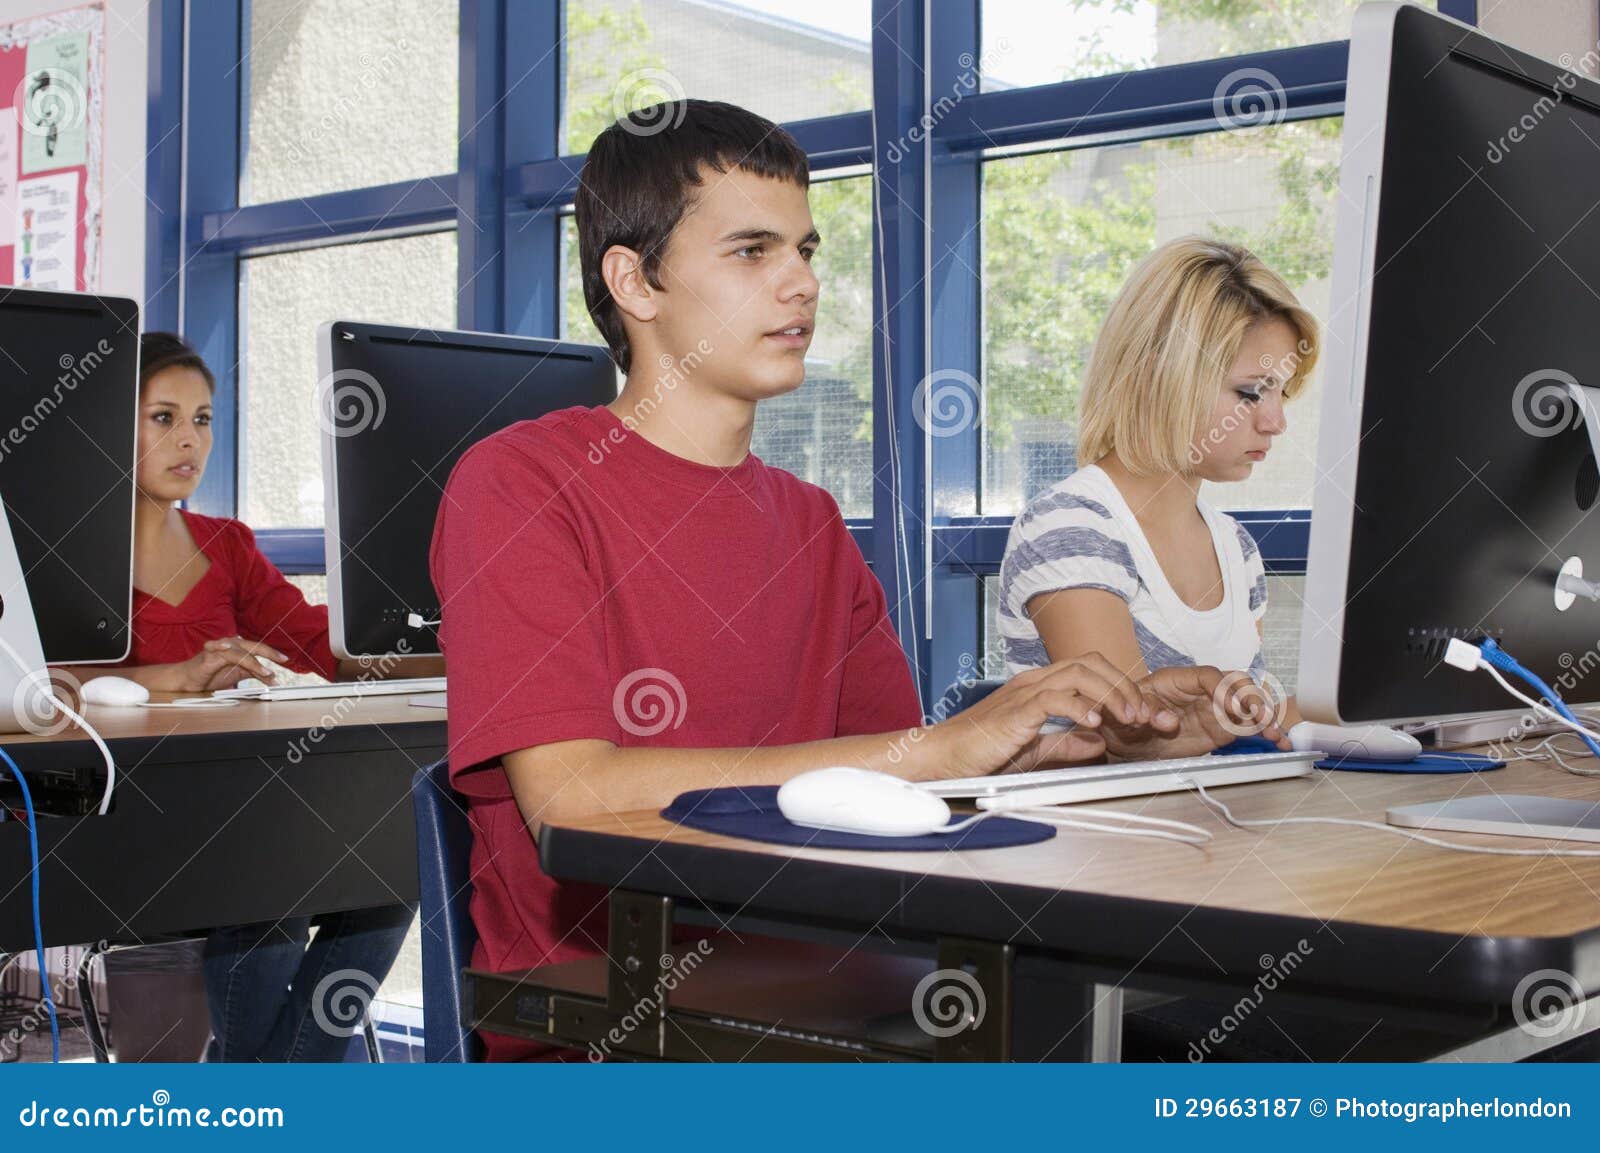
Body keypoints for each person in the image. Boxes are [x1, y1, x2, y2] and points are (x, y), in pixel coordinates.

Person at [429, 100, 1279, 1061]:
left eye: (805, 248)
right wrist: (937, 752)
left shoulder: (810, 523)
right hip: (622, 1024)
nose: (801, 282)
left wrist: (1114, 732)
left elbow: (903, 776)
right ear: (635, 280)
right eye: (752, 252)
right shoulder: (520, 483)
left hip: (842, 992)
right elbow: (572, 796)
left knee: (1199, 1028)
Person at [63, 332, 430, 1061]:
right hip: (127, 818)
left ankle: (260, 1094)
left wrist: (448, 642)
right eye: (162, 417)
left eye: (202, 419)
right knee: (273, 880)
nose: (189, 439)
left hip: (231, 814)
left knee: (391, 871)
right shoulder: (67, 551)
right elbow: (45, 689)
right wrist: (179, 676)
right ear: (110, 424)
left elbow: (321, 644)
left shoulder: (226, 544)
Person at [997, 236, 1321, 757]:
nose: (1275, 420)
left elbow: (1247, 738)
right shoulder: (1070, 528)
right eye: (1250, 392)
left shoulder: (1236, 549)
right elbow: (1132, 738)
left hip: (1223, 826)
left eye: (1282, 391)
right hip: (1108, 835)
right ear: (1163, 376)